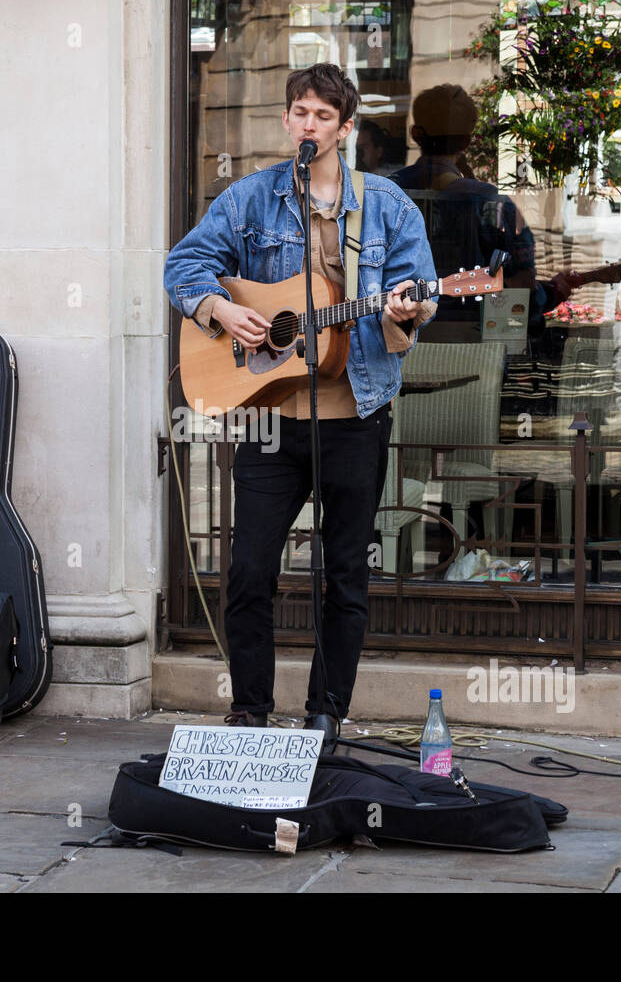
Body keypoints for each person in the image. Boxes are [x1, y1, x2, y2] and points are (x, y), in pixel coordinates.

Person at [163, 63, 437, 744]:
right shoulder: (250, 199)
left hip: (355, 417)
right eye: (300, 113)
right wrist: (222, 309)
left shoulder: (389, 207)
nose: (308, 126)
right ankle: (250, 707)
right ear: (287, 121)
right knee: (249, 570)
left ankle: (326, 712)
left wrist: (410, 308)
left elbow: (421, 292)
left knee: (343, 574)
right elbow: (182, 266)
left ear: (346, 128)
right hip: (269, 415)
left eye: (323, 116)